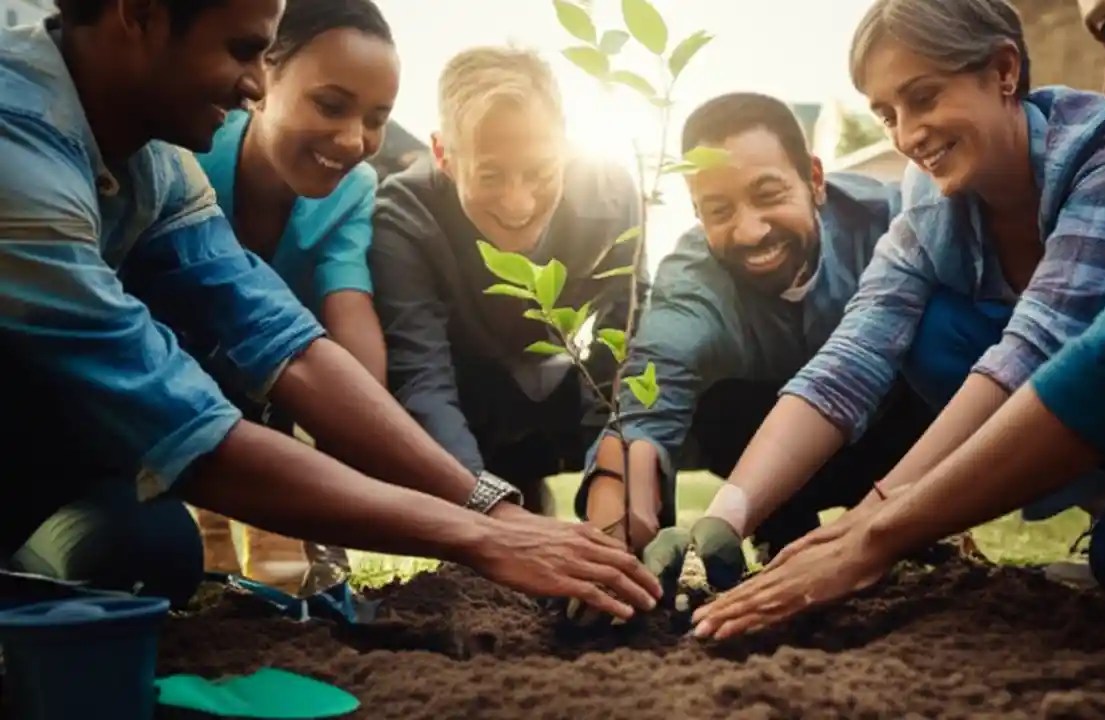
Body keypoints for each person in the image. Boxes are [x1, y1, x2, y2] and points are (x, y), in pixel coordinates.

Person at [0, 0, 660, 621]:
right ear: (138, 13)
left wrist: (495, 511)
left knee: (149, 550)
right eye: (242, 51)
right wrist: (477, 537)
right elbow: (185, 425)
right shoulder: (18, 155)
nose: (254, 87)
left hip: (62, 445)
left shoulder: (160, 162)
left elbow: (281, 337)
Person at [690, 0, 1105, 640]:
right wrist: (728, 514)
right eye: (887, 115)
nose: (907, 135)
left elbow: (1082, 355)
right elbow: (851, 357)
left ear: (1003, 71)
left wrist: (874, 530)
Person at [577, 92, 931, 567]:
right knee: (714, 398)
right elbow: (649, 398)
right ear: (697, 214)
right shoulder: (690, 282)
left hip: (892, 440)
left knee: (934, 337)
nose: (750, 231)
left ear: (815, 179)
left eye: (769, 196)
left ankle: (913, 523)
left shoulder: (895, 221)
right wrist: (612, 528)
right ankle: (781, 524)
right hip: (761, 461)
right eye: (719, 211)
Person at [370, 46, 642, 515]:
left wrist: (611, 487)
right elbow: (421, 378)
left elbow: (619, 350)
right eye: (491, 175)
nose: (519, 204)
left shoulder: (610, 194)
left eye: (539, 172)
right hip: (469, 395)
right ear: (443, 155)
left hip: (560, 388)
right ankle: (510, 495)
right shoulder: (404, 217)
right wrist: (492, 518)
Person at [188, 0, 397, 590]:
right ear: (264, 76)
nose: (354, 139)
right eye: (330, 105)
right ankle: (210, 535)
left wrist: (368, 433)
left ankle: (288, 541)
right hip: (176, 364)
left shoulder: (350, 188)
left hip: (269, 374)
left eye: (377, 117)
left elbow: (347, 299)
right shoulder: (193, 153)